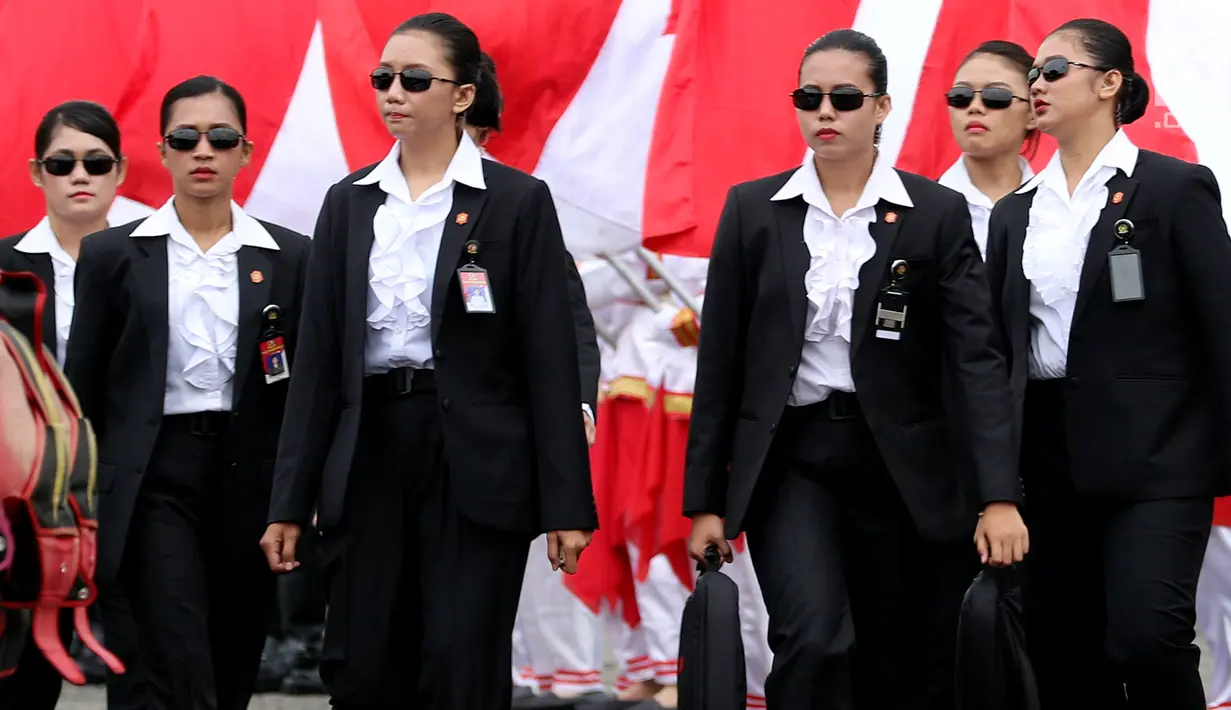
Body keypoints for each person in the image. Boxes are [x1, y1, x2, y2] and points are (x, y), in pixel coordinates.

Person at [683, 28, 1028, 710]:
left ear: (882, 107)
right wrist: (704, 502)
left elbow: (974, 362)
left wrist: (996, 495)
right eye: (808, 97)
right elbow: (720, 362)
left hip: (904, 469)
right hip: (793, 460)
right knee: (814, 638)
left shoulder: (934, 211)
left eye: (844, 97)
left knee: (897, 657)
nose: (824, 111)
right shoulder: (752, 211)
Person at [260, 12, 596, 710]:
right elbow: (317, 362)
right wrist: (290, 500)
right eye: (383, 78)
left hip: (474, 456)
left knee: (460, 661)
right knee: (361, 660)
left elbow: (550, 357)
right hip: (369, 452)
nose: (393, 93)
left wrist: (568, 504)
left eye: (414, 80)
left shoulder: (516, 201)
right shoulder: (348, 202)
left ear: (463, 95)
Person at [984, 18, 1231, 710]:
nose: (1035, 85)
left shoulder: (1174, 188)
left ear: (1108, 83)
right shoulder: (1013, 214)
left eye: (1053, 70)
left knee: (1146, 639)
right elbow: (1000, 355)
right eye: (1031, 73)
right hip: (1047, 462)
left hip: (1157, 458)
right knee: (1059, 650)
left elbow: (1220, 324)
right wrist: (994, 479)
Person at [64, 75, 311, 710]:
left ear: (246, 151)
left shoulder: (290, 258)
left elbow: (303, 391)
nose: (204, 150)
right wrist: (80, 500)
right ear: (164, 150)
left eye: (221, 137)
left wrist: (295, 496)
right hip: (153, 478)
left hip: (249, 478)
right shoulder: (112, 254)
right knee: (177, 660)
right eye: (186, 137)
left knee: (233, 661)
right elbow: (84, 388)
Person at [0, 100, 130, 710]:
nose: (80, 175)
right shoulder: (3, 268)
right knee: (24, 665)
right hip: (32, 492)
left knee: (144, 653)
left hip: (130, 477)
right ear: (36, 172)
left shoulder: (151, 260)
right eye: (62, 162)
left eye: (96, 162)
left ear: (121, 171)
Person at [938, 41, 1038, 260]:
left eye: (996, 97)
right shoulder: (921, 210)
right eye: (961, 96)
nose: (974, 107)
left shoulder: (1057, 208)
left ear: (1032, 113)